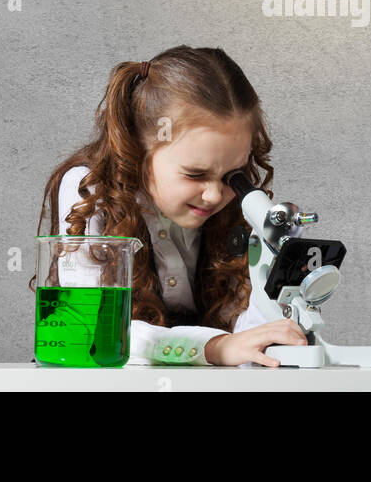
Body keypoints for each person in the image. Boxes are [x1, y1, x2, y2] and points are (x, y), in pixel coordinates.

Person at [33, 45, 306, 366]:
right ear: (137, 149)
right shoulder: (89, 189)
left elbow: (244, 334)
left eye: (232, 176)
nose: (214, 195)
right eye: (195, 174)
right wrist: (213, 348)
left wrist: (274, 284)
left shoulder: (232, 210)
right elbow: (94, 330)